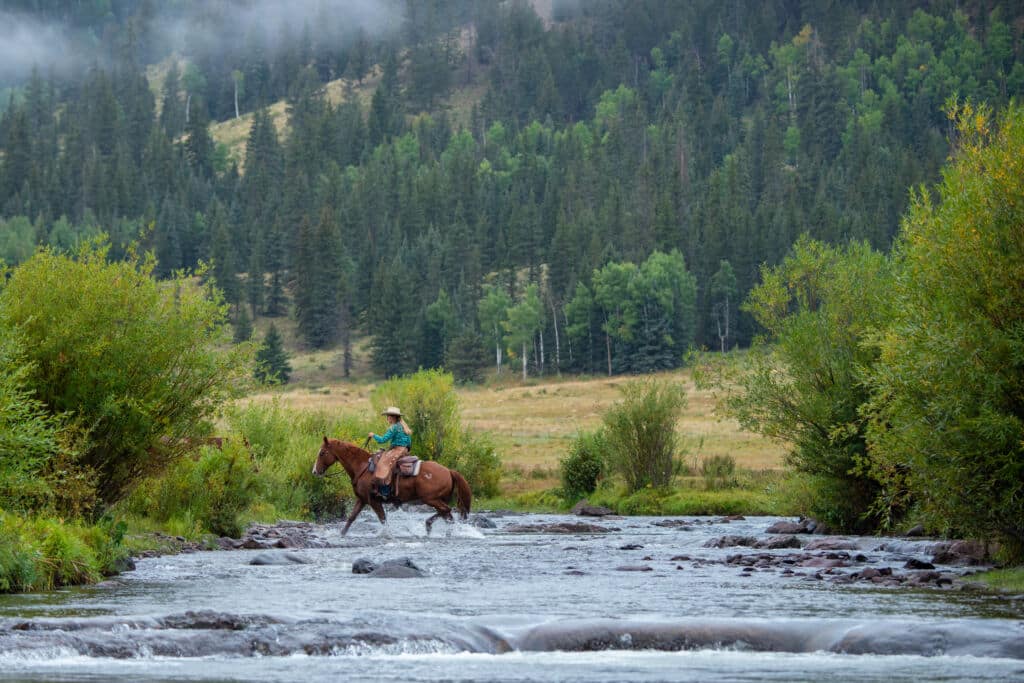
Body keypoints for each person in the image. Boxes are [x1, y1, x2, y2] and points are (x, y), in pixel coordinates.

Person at [368, 406, 412, 499]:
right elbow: (409, 442)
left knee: (384, 464)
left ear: (393, 417)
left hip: (397, 450)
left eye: (388, 416)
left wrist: (373, 435)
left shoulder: (394, 427)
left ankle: (385, 490)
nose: (387, 418)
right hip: (403, 450)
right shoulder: (403, 426)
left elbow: (382, 440)